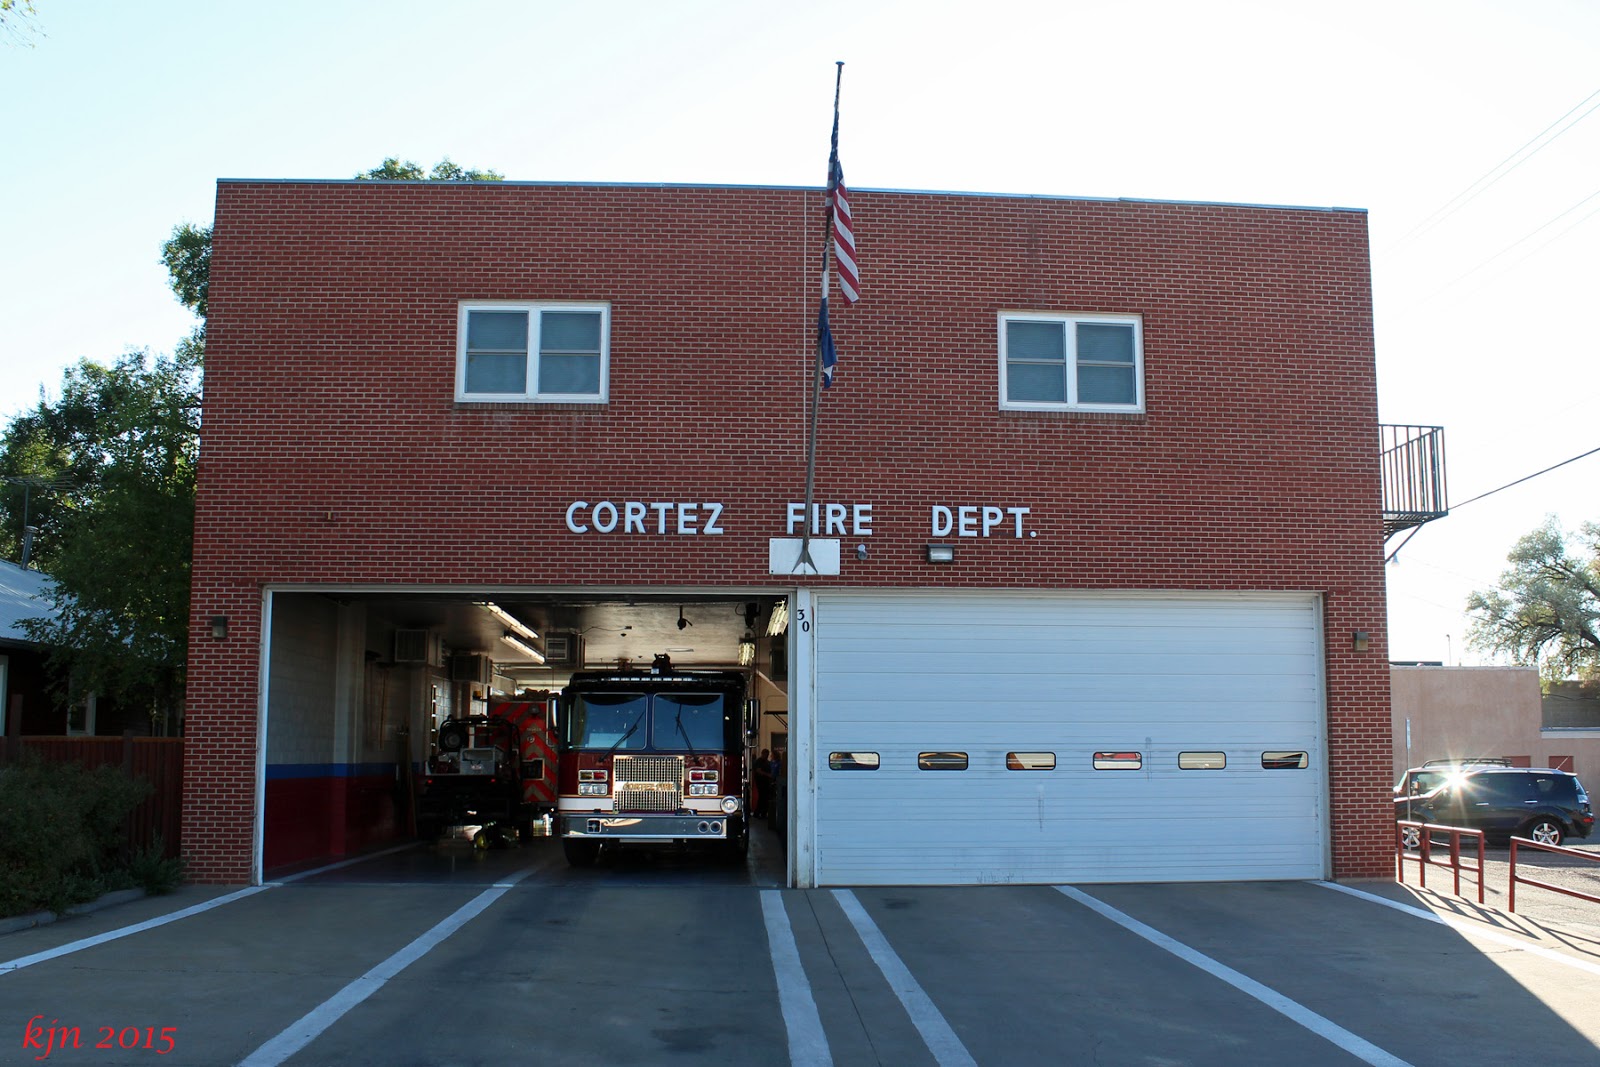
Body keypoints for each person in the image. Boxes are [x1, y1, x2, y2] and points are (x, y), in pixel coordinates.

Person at [752, 748, 772, 818]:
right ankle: (757, 813)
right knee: (762, 797)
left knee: (765, 797)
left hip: (765, 782)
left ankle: (763, 813)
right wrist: (767, 775)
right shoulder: (759, 761)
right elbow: (758, 771)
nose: (767, 756)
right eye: (766, 754)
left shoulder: (766, 762)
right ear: (763, 754)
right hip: (761, 782)